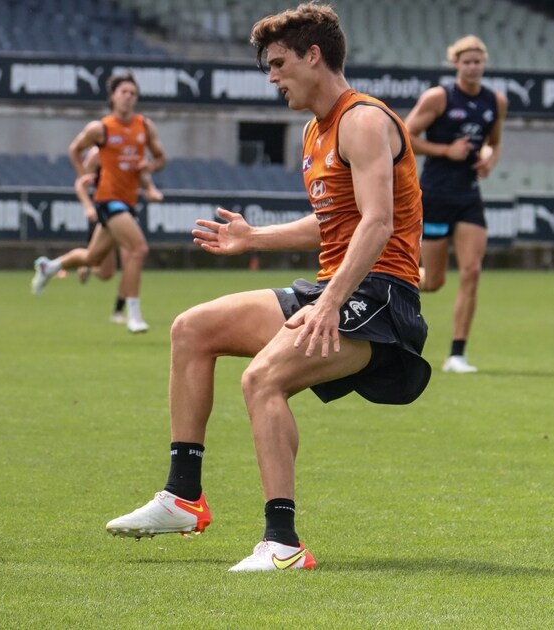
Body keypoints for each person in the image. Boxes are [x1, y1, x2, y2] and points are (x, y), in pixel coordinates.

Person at [105, 2, 431, 571]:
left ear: (314, 55)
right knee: (192, 328)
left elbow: (377, 222)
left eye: (279, 64)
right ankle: (183, 496)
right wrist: (255, 238)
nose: (273, 77)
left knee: (262, 380)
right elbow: (333, 221)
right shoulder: (314, 130)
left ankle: (282, 544)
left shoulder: (363, 120)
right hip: (338, 286)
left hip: (380, 298)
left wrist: (330, 303)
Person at [31, 72, 167, 334]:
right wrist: (85, 177)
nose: (129, 97)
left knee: (95, 260)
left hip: (127, 202)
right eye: (124, 92)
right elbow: (74, 149)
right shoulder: (101, 129)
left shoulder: (144, 127)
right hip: (107, 201)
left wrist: (149, 167)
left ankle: (51, 267)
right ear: (113, 97)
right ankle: (133, 315)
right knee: (138, 249)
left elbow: (161, 159)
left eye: (133, 93)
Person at [404, 35, 506, 374]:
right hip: (435, 194)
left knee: (472, 271)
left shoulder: (496, 101)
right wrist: (445, 151)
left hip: (468, 196)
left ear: (484, 64)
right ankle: (376, 277)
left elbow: (493, 142)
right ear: (457, 64)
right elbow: (405, 137)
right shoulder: (439, 97)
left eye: (478, 61)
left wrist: (488, 160)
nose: (473, 66)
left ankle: (457, 355)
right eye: (467, 61)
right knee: (433, 281)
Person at [73, 146, 165, 324]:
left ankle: (119, 310)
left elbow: (147, 184)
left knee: (131, 257)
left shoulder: (134, 156)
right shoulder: (97, 155)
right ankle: (87, 264)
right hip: (105, 212)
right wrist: (88, 206)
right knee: (106, 272)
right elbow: (81, 184)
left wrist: (153, 193)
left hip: (126, 213)